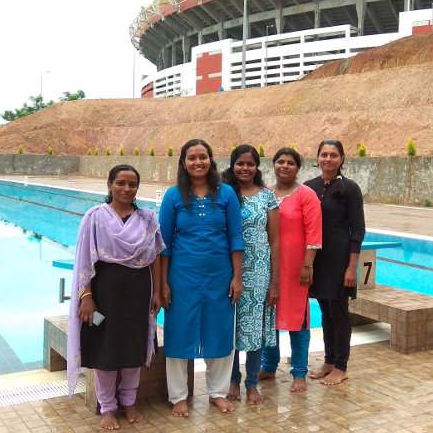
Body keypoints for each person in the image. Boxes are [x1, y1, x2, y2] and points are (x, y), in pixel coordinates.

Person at [67, 165, 165, 430]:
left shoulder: (147, 219)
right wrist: (86, 297)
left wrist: (157, 291)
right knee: (105, 352)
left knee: (134, 350)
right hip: (104, 296)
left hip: (138, 296)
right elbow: (84, 259)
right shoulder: (95, 217)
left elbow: (154, 257)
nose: (127, 189)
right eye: (121, 183)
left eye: (132, 184)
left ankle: (129, 402)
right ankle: (107, 408)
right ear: (109, 185)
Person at [159, 139, 245, 417]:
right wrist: (163, 283)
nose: (198, 162)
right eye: (192, 158)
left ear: (211, 161)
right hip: (181, 277)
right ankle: (179, 396)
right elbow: (163, 244)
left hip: (220, 275)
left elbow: (235, 237)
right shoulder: (173, 196)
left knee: (219, 331)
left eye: (203, 157)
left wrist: (237, 277)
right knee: (178, 332)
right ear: (184, 163)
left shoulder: (227, 194)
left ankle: (217, 392)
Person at [258, 148, 322, 393]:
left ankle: (299, 372)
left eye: (291, 163)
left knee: (299, 320)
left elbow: (314, 233)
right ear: (273, 165)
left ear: (298, 168)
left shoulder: (306, 195)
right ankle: (269, 364)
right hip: (268, 268)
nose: (285, 166)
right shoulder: (265, 194)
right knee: (269, 318)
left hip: (296, 268)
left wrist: (308, 265)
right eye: (280, 162)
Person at [221, 145, 280, 406]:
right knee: (231, 326)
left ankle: (252, 382)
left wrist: (274, 281)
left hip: (258, 272)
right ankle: (232, 379)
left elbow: (275, 241)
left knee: (255, 329)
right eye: (240, 163)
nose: (245, 168)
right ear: (232, 165)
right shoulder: (225, 193)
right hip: (227, 270)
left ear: (257, 167)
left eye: (251, 164)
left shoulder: (267, 197)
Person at [305, 139, 366, 386]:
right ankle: (329, 360)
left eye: (333, 155)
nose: (328, 159)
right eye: (323, 155)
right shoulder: (309, 187)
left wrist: (352, 267)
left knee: (339, 314)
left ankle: (342, 366)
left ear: (342, 159)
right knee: (326, 314)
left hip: (340, 260)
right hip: (318, 261)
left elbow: (358, 229)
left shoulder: (350, 188)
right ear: (317, 158)